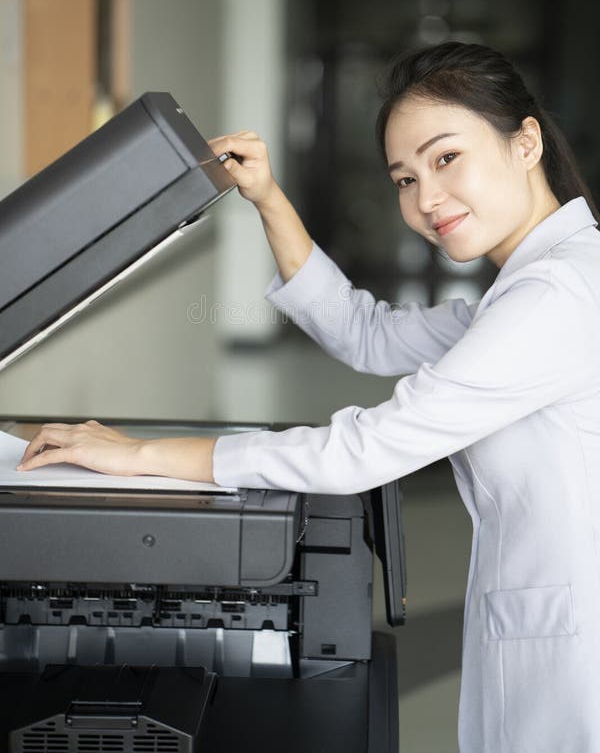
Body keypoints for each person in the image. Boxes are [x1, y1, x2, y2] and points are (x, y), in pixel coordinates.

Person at [17, 42, 600, 753]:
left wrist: (141, 454)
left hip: (575, 657)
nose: (427, 199)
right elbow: (368, 335)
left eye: (446, 158)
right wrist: (268, 199)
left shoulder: (555, 299)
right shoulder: (535, 288)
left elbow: (363, 449)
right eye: (404, 178)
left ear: (526, 141)